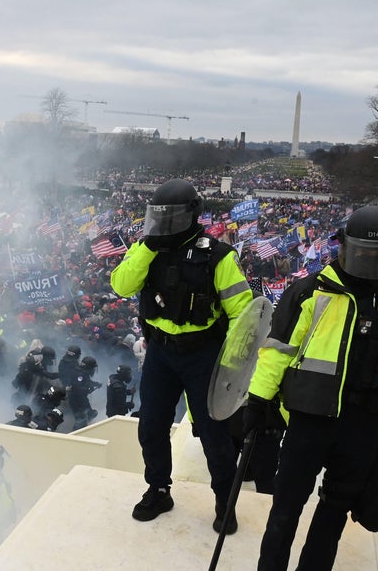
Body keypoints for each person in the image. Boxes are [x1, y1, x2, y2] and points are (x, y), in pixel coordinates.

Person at [246, 206, 378, 570]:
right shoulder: (311, 290)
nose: (372, 261)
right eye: (364, 253)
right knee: (286, 507)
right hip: (309, 418)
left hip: (363, 423)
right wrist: (257, 400)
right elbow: (276, 351)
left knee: (334, 513)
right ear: (345, 248)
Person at [110, 178, 254, 535]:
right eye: (159, 217)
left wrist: (230, 362)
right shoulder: (147, 249)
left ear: (192, 215)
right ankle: (159, 489)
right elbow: (121, 285)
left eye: (172, 217)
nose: (165, 224)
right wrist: (147, 248)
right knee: (151, 426)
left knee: (213, 434)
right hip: (161, 353)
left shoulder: (218, 256)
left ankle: (224, 500)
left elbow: (243, 312)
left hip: (203, 356)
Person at [67, 357, 102, 430]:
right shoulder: (79, 375)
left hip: (81, 399)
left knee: (90, 413)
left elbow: (88, 382)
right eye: (92, 368)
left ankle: (88, 417)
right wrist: (88, 389)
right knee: (80, 420)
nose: (93, 370)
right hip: (76, 400)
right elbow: (77, 388)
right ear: (88, 367)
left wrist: (96, 384)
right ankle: (75, 434)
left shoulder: (83, 373)